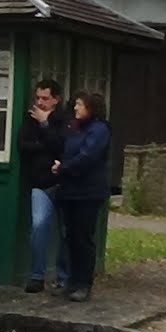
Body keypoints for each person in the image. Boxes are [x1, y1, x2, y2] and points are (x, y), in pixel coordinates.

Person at [50, 91, 111, 303]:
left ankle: (84, 283)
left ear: (91, 108)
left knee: (83, 238)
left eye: (80, 105)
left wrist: (64, 168)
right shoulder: (75, 128)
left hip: (88, 192)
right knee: (71, 238)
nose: (76, 108)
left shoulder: (99, 130)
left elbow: (88, 156)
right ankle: (71, 281)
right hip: (70, 191)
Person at [18, 79, 70, 294]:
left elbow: (62, 147)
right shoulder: (30, 118)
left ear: (56, 100)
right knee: (39, 226)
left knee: (66, 232)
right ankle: (37, 275)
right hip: (40, 182)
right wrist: (44, 145)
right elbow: (23, 145)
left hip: (64, 183)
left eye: (45, 98)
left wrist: (45, 125)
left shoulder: (64, 119)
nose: (40, 103)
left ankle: (63, 277)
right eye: (38, 98)